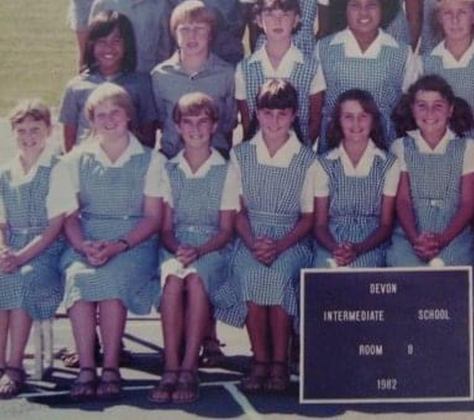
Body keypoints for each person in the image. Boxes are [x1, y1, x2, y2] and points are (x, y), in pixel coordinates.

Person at [50, 84, 165, 401]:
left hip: (133, 244)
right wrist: (82, 246)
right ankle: (87, 367)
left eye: (115, 112)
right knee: (79, 276)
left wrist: (119, 246)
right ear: (91, 121)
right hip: (86, 240)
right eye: (101, 115)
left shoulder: (150, 160)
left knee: (112, 277)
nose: (109, 119)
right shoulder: (75, 160)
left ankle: (112, 366)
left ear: (128, 115)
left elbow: (153, 219)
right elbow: (69, 217)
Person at [215, 79, 324, 395]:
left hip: (290, 239)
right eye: (267, 113)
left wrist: (279, 245)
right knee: (250, 275)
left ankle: (279, 362)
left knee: (278, 278)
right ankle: (259, 359)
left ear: (293, 116)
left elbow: (308, 217)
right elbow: (235, 211)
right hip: (250, 236)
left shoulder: (307, 159)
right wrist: (253, 243)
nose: (274, 121)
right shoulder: (241, 154)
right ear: (257, 115)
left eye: (282, 114)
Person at [0, 100, 66, 400]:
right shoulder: (3, 174)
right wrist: (1, 251)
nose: (28, 136)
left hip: (47, 251)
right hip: (13, 249)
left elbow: (55, 227)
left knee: (24, 280)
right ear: (13, 133)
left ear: (48, 131)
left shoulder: (58, 169)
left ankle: (15, 367)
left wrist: (22, 257)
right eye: (21, 130)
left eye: (35, 129)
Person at [149, 93, 237, 404]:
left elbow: (227, 230)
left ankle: (189, 367)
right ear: (176, 126)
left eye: (203, 122)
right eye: (188, 122)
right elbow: (166, 229)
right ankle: (170, 365)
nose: (196, 129)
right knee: (173, 278)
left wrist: (198, 252)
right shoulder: (168, 168)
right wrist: (180, 249)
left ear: (214, 126)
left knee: (197, 279)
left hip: (213, 248)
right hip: (178, 247)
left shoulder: (227, 169)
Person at [385, 75, 474, 268]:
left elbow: (467, 204)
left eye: (438, 105)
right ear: (412, 109)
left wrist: (442, 240)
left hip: (453, 234)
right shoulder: (401, 147)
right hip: (410, 233)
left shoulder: (468, 148)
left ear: (450, 110)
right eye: (421, 105)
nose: (429, 112)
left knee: (449, 267)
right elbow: (403, 201)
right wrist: (416, 239)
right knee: (404, 264)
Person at [316, 0, 420, 153]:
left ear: (383, 8)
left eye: (371, 5)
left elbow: (408, 106)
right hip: (335, 145)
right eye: (355, 5)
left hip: (384, 145)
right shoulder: (325, 49)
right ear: (344, 9)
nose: (363, 12)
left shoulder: (401, 52)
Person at [312, 89, 402, 268]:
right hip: (331, 240)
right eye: (348, 117)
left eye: (363, 116)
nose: (356, 123)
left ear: (373, 120)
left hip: (371, 242)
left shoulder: (388, 164)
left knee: (364, 268)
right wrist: (336, 249)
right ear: (338, 121)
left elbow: (385, 224)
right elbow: (320, 224)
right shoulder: (324, 163)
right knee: (326, 268)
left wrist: (358, 249)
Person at [236, 0, 325, 145]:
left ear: (296, 19)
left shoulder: (312, 68)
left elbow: (315, 119)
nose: (278, 22)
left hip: (298, 154)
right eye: (270, 15)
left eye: (285, 15)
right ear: (258, 20)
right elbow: (247, 121)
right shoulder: (244, 69)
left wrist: (301, 153)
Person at [59, 11, 159, 150]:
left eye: (116, 41)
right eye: (101, 41)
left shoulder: (141, 84)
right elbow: (69, 139)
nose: (108, 47)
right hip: (87, 162)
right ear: (91, 45)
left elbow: (148, 135)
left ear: (127, 44)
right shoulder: (76, 87)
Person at [151, 0, 237, 158]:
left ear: (211, 34)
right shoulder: (160, 75)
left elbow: (228, 123)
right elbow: (162, 120)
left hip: (215, 157)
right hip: (172, 156)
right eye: (184, 29)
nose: (192, 36)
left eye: (200, 29)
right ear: (174, 34)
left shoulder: (227, 73)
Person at [421, 0, 474, 145]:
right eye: (448, 13)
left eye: (462, 12)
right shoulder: (424, 64)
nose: (455, 20)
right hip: (436, 146)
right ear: (439, 18)